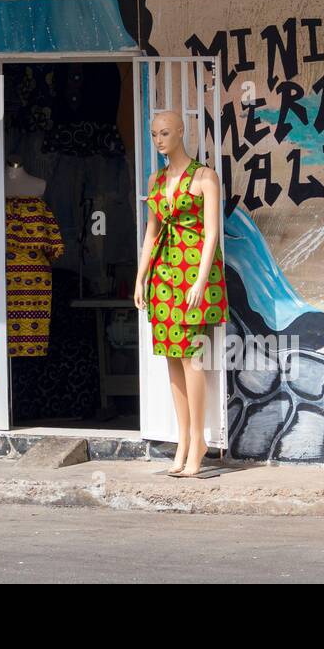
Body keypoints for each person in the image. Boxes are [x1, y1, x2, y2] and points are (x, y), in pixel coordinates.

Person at [134, 110, 229, 477]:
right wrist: (140, 277)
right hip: (163, 275)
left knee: (193, 358)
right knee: (172, 360)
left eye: (165, 133)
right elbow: (151, 233)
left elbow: (211, 234)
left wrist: (202, 281)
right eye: (155, 133)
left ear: (181, 133)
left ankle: (199, 442)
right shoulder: (156, 179)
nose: (159, 140)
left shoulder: (205, 177)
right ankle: (184, 440)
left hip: (193, 274)